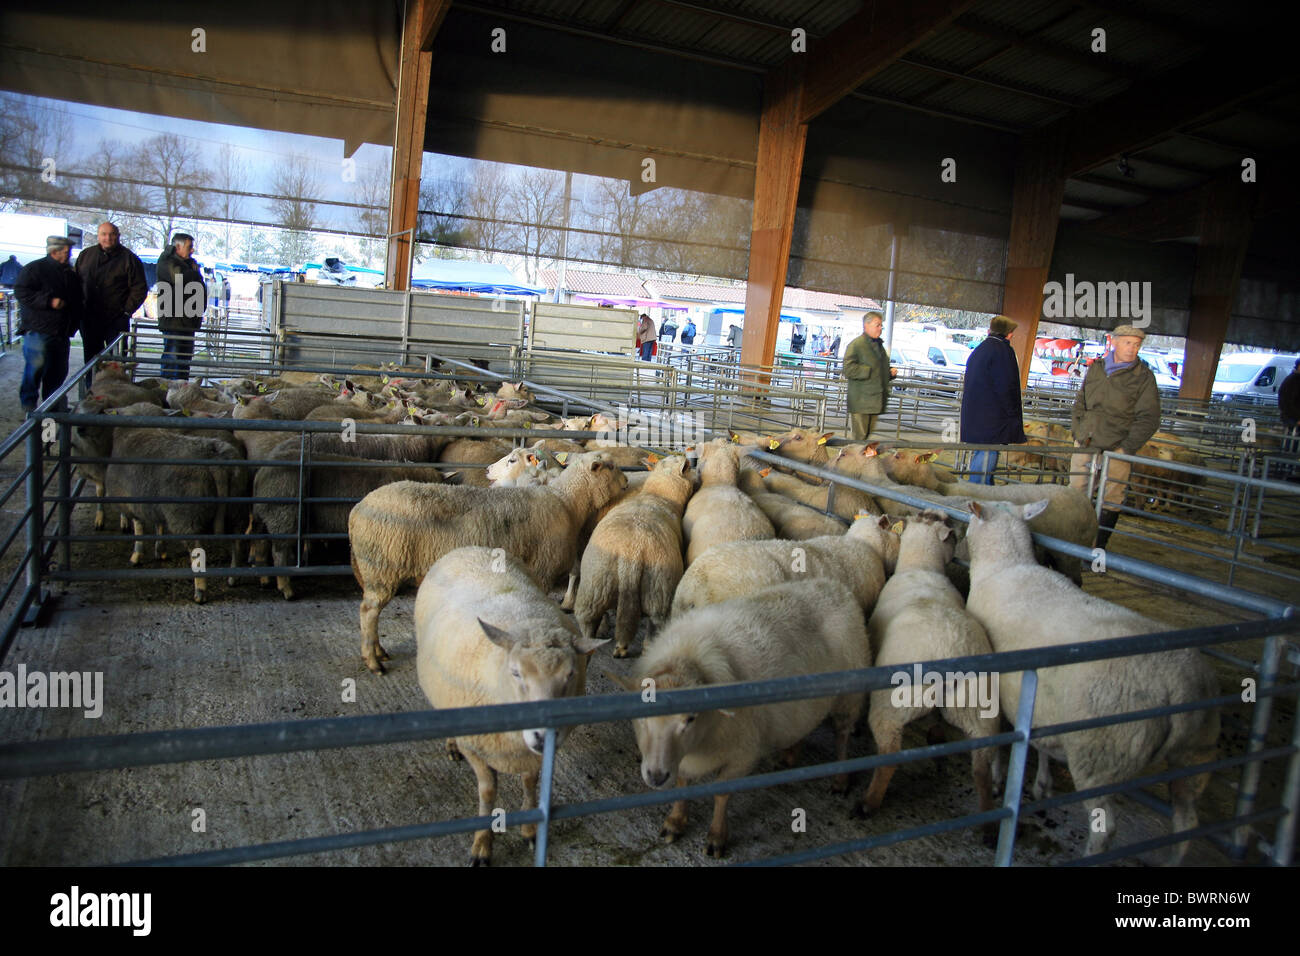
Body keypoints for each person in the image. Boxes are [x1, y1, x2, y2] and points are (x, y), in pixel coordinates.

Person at [1070, 323, 1161, 548]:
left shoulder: (1143, 377)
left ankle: (1096, 547)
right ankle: (1072, 544)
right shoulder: (1097, 368)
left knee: (1112, 498)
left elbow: (1149, 417)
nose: (1132, 349)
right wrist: (1078, 430)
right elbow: (1080, 402)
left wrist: (1126, 447)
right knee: (1076, 493)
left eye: (1137, 345)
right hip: (1087, 441)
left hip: (1117, 445)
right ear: (1114, 342)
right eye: (1128, 343)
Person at [14, 236, 83, 413]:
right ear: (54, 252)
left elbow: (77, 299)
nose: (68, 254)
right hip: (39, 329)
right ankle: (29, 405)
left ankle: (53, 405)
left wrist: (74, 322)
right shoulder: (35, 269)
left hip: (61, 331)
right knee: (35, 368)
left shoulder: (70, 274)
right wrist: (48, 301)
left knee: (58, 372)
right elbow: (21, 292)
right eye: (65, 251)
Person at [75, 221, 147, 380]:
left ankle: (116, 392)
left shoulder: (129, 259)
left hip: (116, 320)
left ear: (118, 236)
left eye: (112, 234)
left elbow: (140, 288)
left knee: (118, 360)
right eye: (104, 234)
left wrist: (126, 311)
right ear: (98, 236)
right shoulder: (86, 256)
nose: (108, 238)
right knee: (91, 360)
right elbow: (75, 283)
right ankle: (92, 391)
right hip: (89, 318)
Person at [959, 315, 1026, 484]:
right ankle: (978, 491)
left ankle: (981, 488)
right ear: (1009, 334)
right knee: (988, 454)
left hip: (976, 417)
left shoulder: (980, 349)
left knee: (981, 453)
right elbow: (1006, 386)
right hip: (993, 419)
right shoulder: (1003, 351)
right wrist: (1012, 417)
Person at [155, 232, 207, 380]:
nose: (192, 250)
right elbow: (180, 278)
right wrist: (195, 274)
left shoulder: (187, 263)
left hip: (187, 319)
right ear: (178, 247)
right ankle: (168, 393)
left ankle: (180, 391)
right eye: (189, 247)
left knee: (183, 359)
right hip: (175, 320)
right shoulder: (166, 261)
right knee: (174, 358)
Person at [842, 311, 897, 440]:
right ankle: (854, 460)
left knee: (865, 436)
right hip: (861, 400)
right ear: (866, 326)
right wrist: (869, 371)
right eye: (877, 325)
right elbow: (848, 369)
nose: (880, 328)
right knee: (859, 438)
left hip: (875, 400)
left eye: (881, 325)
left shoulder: (879, 345)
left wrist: (888, 373)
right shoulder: (856, 345)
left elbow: (878, 369)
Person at [1279, 358, 1300, 469]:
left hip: (1292, 417)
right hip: (1292, 419)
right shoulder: (1292, 381)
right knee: (1291, 444)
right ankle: (1286, 468)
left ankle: (1288, 467)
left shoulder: (1293, 380)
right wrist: (1297, 418)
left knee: (1292, 444)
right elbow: (1288, 403)